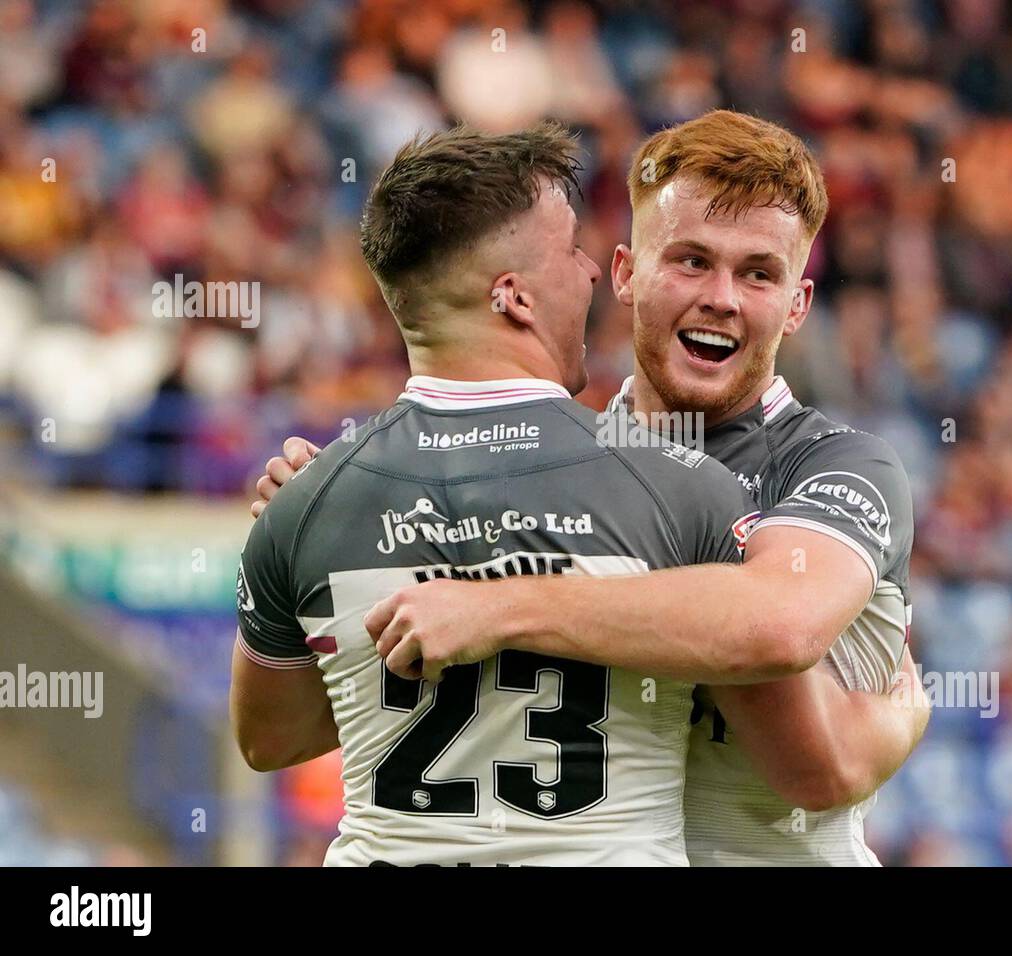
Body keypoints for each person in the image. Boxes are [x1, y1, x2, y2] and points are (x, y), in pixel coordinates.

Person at [255, 111, 928, 866]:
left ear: (797, 306)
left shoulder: (839, 467)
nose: (723, 298)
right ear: (624, 273)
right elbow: (309, 718)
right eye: (692, 261)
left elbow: (792, 666)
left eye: (759, 274)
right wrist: (330, 523)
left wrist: (499, 607)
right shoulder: (561, 466)